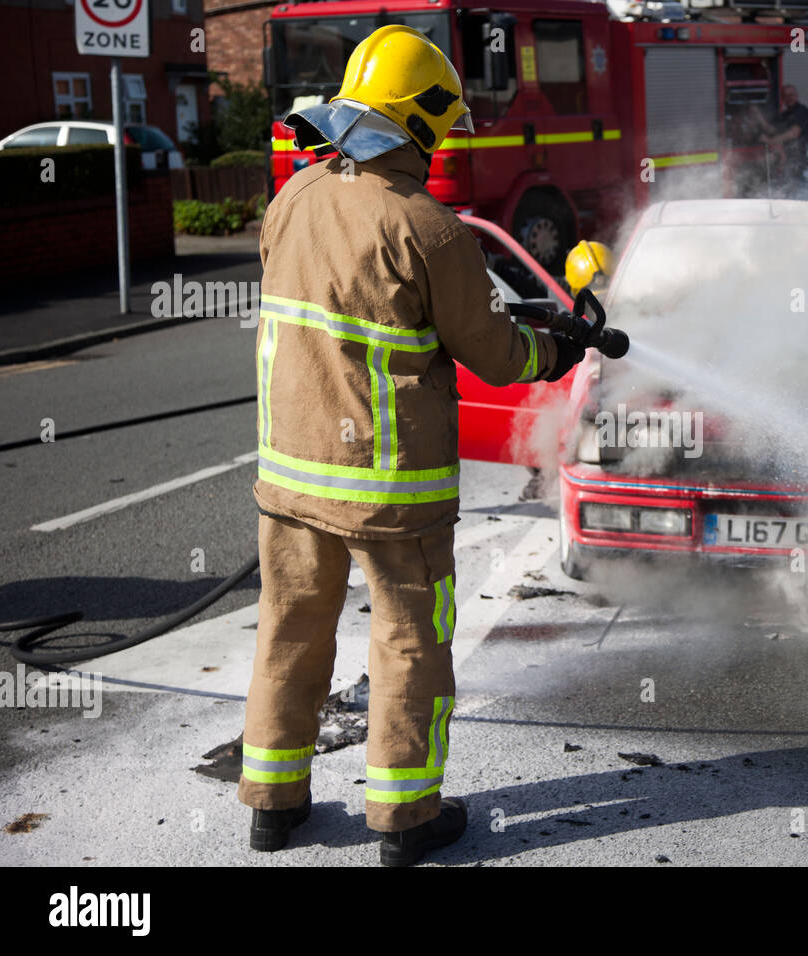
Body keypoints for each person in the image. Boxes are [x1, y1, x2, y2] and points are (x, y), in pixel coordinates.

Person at [239, 24, 585, 866]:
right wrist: (556, 350)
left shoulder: (293, 199)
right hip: (391, 492)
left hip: (290, 481)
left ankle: (273, 807)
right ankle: (402, 820)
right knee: (407, 643)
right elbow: (496, 355)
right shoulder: (426, 228)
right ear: (422, 121)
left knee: (288, 631)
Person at [753, 84, 808, 192]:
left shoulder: (802, 111)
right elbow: (772, 130)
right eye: (786, 95)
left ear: (796, 95)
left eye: (791, 95)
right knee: (791, 192)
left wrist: (769, 141)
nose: (789, 97)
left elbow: (793, 133)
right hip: (790, 162)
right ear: (783, 98)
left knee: (802, 192)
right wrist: (758, 116)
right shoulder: (785, 115)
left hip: (803, 162)